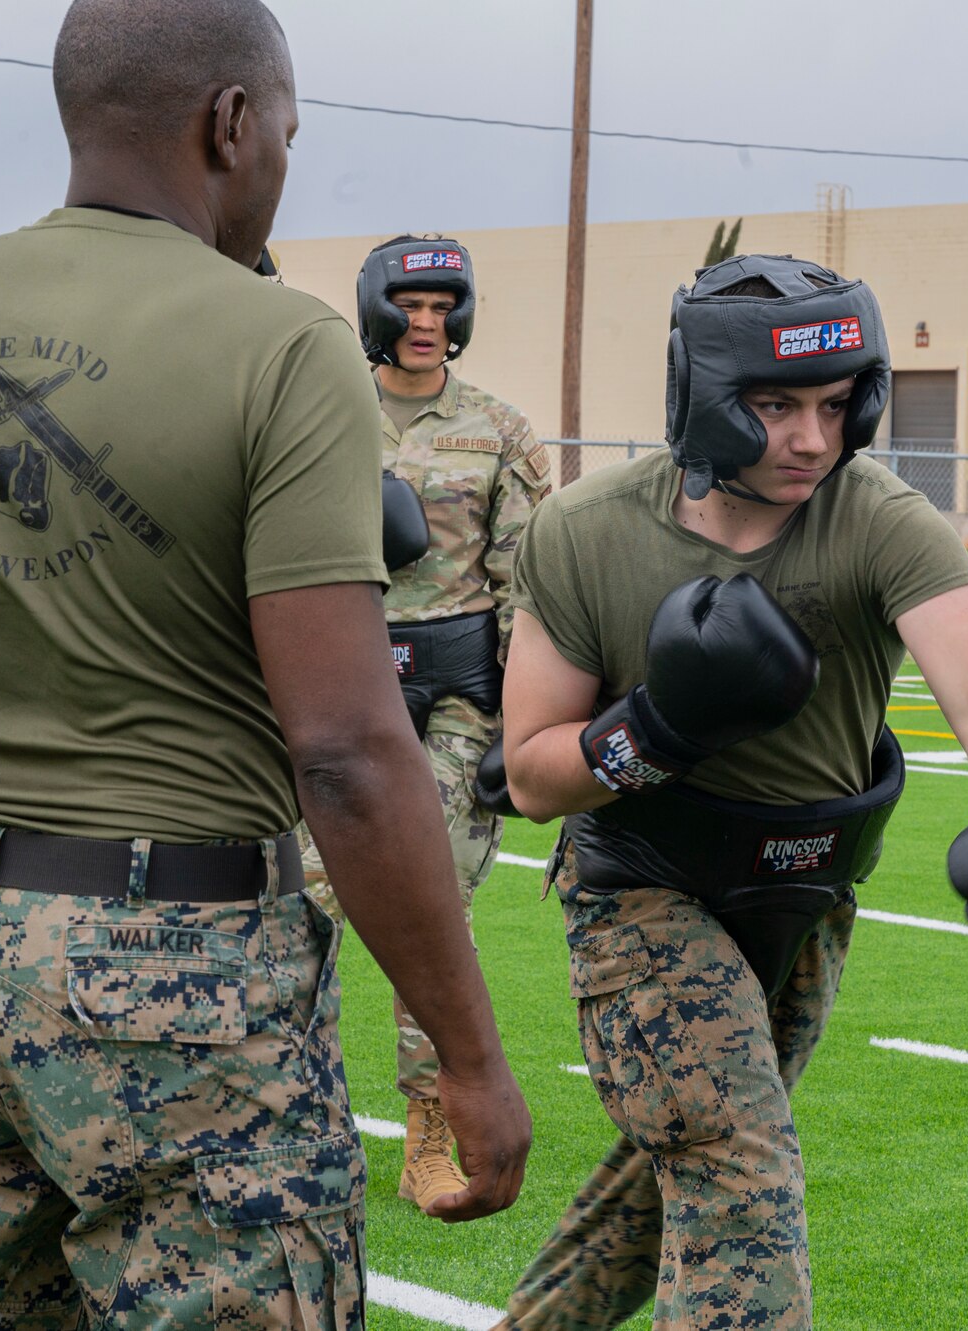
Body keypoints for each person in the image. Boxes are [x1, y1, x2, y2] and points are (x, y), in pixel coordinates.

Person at [0, 2, 529, 1324]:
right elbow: (349, 750)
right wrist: (470, 1058)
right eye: (288, 135)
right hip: (181, 959)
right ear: (232, 123)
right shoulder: (283, 345)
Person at [492, 254, 968, 1330]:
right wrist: (652, 727)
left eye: (835, 406)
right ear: (701, 396)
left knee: (672, 1178)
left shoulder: (877, 515)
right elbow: (529, 772)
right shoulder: (586, 530)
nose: (809, 439)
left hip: (807, 892)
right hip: (642, 887)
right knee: (735, 1168)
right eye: (773, 405)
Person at [297, 234, 550, 1211]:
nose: (427, 322)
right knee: (302, 899)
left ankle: (428, 1130)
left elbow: (529, 583)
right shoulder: (317, 414)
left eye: (444, 304)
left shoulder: (496, 429)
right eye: (410, 303)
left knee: (428, 904)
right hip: (336, 686)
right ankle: (299, 1106)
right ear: (376, 308)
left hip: (452, 697)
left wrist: (519, 726)